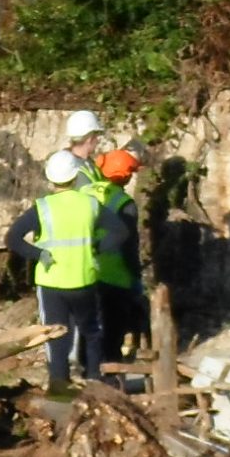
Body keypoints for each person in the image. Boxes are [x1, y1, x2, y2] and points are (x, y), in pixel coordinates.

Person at [7, 149, 134, 394]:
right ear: (76, 176)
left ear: (50, 177)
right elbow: (120, 232)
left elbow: (13, 238)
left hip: (51, 282)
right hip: (83, 279)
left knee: (55, 335)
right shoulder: (90, 204)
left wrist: (38, 254)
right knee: (91, 332)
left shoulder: (43, 208)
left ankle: (59, 386)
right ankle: (94, 381)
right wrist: (95, 248)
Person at [85, 147, 149, 366]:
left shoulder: (85, 192)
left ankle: (87, 369)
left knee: (89, 326)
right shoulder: (123, 202)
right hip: (115, 273)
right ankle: (110, 370)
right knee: (114, 328)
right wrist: (135, 277)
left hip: (84, 270)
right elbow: (128, 244)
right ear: (126, 176)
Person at [62, 108, 106, 182]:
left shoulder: (86, 163)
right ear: (89, 138)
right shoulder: (71, 168)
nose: (98, 140)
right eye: (96, 135)